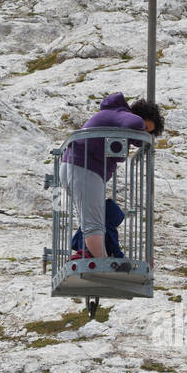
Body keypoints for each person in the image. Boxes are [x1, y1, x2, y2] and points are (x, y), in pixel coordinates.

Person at [60, 93, 163, 259]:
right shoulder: (128, 117)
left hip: (75, 166)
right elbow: (134, 122)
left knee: (90, 221)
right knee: (94, 224)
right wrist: (141, 137)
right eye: (145, 128)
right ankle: (103, 262)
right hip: (85, 168)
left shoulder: (114, 115)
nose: (143, 132)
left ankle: (92, 255)